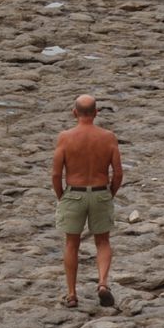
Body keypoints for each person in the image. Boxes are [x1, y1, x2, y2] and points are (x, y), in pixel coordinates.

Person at [51, 94, 123, 308]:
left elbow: (56, 173)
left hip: (74, 193)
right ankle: (102, 283)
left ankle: (72, 294)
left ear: (75, 113)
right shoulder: (108, 137)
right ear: (96, 113)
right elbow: (118, 173)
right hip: (101, 192)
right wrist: (110, 193)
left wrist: (61, 196)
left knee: (72, 243)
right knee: (103, 242)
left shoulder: (65, 137)